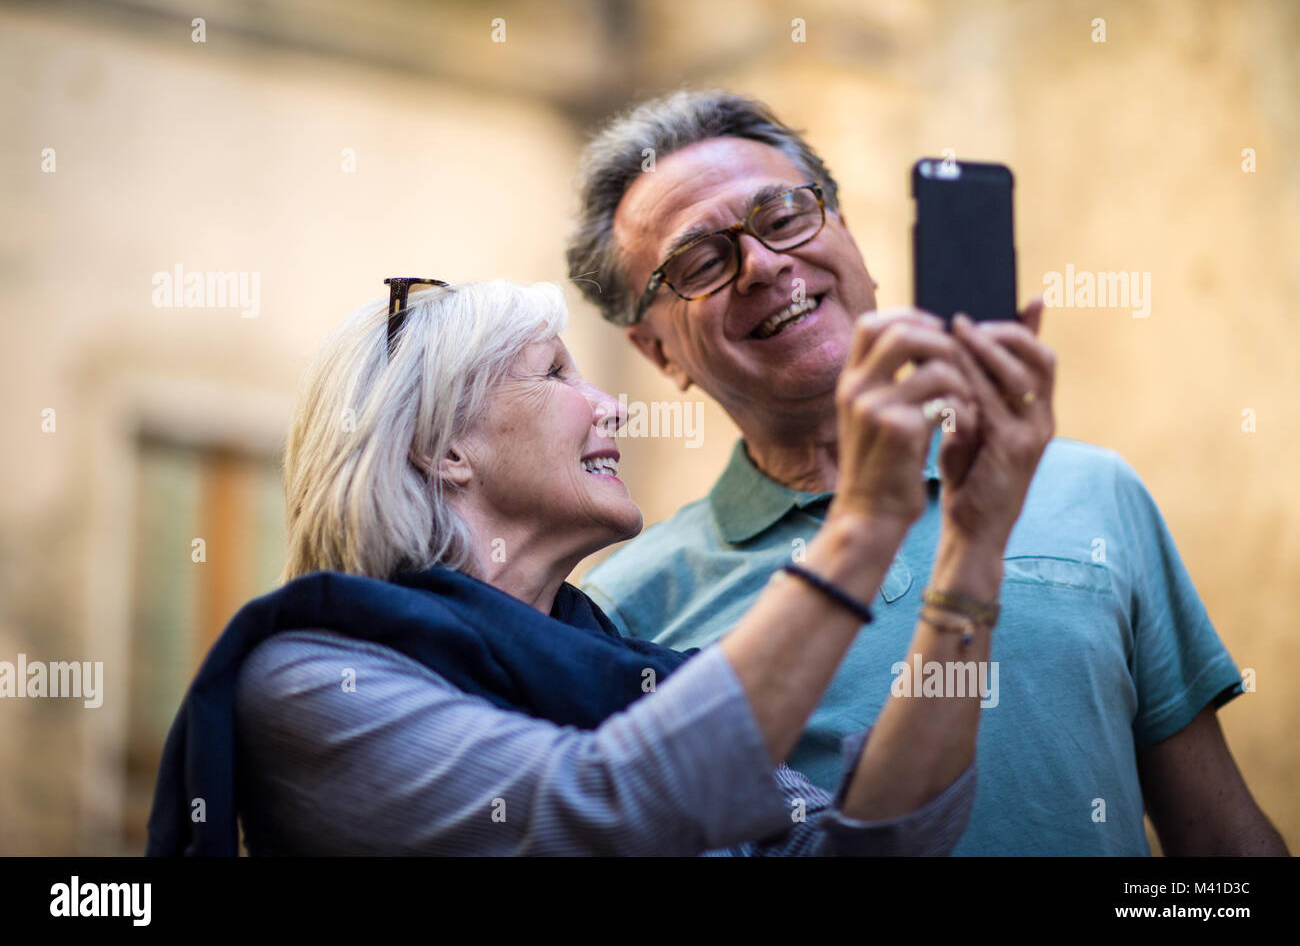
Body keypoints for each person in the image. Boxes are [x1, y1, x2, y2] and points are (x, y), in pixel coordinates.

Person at [566, 89, 1288, 856]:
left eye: (783, 219)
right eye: (702, 261)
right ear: (658, 352)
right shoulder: (623, 611)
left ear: (849, 237)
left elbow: (1222, 841)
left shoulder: (1090, 489)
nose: (764, 265)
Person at [146, 276, 1048, 856]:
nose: (611, 406)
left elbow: (864, 850)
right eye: (556, 374)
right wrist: (867, 521)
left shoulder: (622, 666)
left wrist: (971, 545)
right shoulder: (313, 682)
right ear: (445, 447)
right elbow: (606, 808)